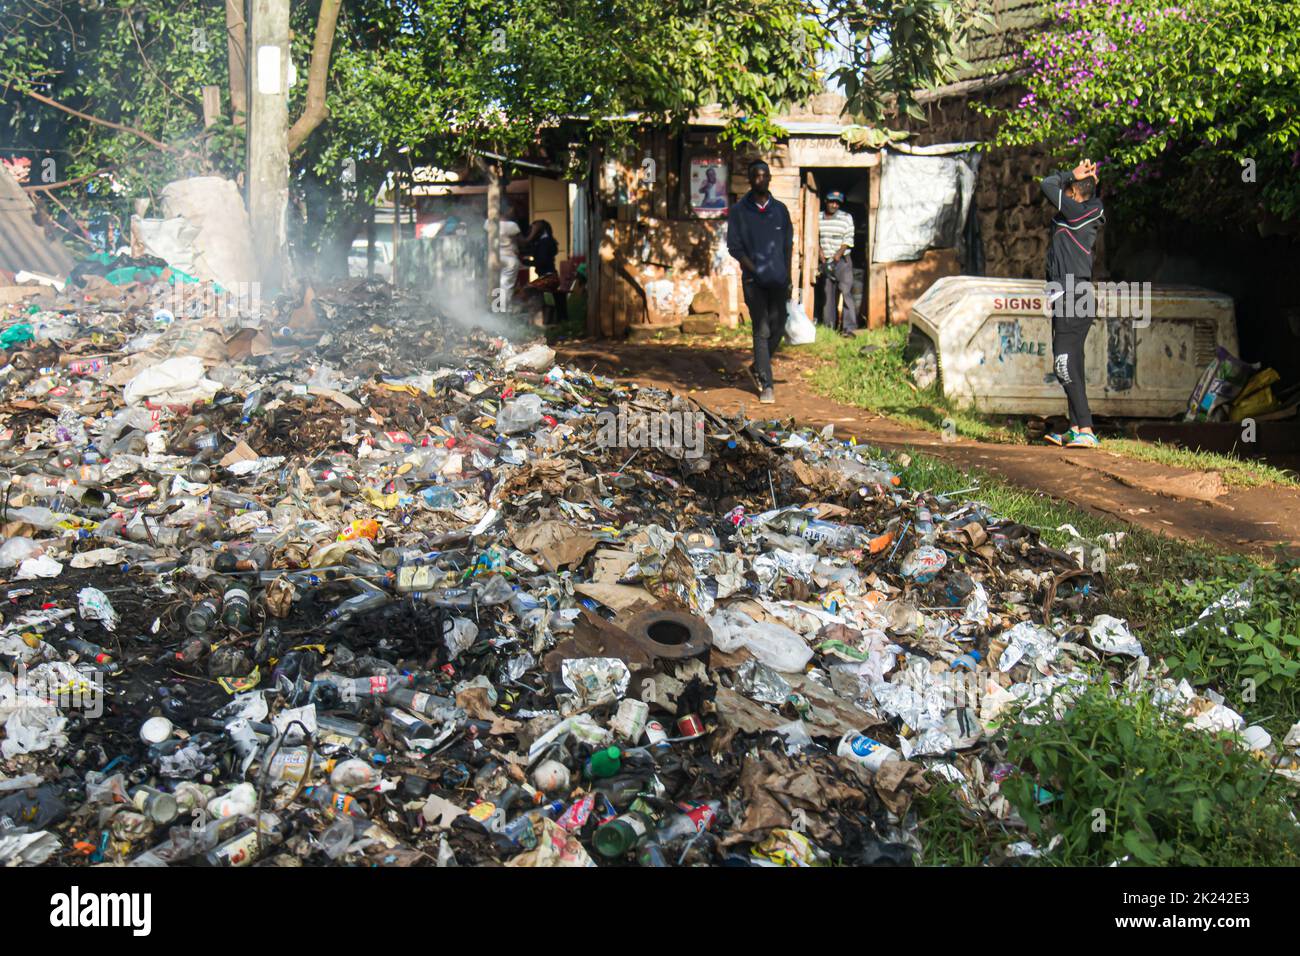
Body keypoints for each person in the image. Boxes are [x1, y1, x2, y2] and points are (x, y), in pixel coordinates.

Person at [1040, 158, 1105, 448]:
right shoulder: (1068, 218)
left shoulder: (1087, 211)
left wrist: (1072, 175)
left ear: (1076, 193)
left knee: (1063, 364)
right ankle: (1077, 426)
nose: (1062, 192)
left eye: (1068, 189)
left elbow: (1046, 184)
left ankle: (1088, 432)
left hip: (1075, 296)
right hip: (1064, 297)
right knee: (1072, 365)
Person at [727, 159, 793, 404]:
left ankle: (757, 366)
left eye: (765, 175)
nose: (761, 179)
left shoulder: (781, 210)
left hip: (778, 279)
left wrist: (788, 279)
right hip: (754, 281)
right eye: (756, 176)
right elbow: (734, 247)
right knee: (762, 329)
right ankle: (766, 384)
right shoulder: (739, 212)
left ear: (770, 179)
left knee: (779, 326)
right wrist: (754, 270)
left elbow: (788, 246)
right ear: (749, 179)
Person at [817, 190, 857, 336]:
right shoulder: (818, 217)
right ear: (826, 201)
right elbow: (814, 236)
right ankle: (829, 328)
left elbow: (848, 239)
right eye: (831, 201)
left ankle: (849, 328)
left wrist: (836, 258)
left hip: (842, 261)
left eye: (837, 203)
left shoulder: (846, 218)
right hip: (826, 260)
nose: (834, 205)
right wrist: (821, 256)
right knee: (828, 295)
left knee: (846, 293)